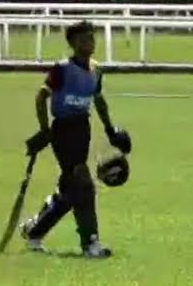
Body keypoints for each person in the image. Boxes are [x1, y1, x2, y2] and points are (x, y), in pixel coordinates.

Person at [20, 21, 130, 258]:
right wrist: (45, 130)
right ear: (72, 43)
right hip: (63, 130)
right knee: (83, 183)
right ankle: (91, 244)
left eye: (91, 37)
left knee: (71, 189)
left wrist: (111, 130)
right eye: (83, 39)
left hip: (83, 128)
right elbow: (41, 97)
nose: (89, 42)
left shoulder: (96, 70)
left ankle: (34, 230)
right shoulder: (62, 69)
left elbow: (98, 100)